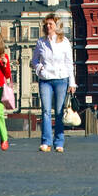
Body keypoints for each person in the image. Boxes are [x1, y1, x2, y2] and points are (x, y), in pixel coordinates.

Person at [30, 13, 75, 152]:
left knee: (60, 112)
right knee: (46, 111)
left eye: (51, 24)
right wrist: (40, 69)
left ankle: (59, 142)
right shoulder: (41, 42)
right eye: (46, 24)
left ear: (57, 26)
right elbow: (34, 61)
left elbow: (69, 63)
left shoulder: (65, 42)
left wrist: (72, 83)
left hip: (61, 79)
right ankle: (46, 142)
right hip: (45, 80)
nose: (48, 26)